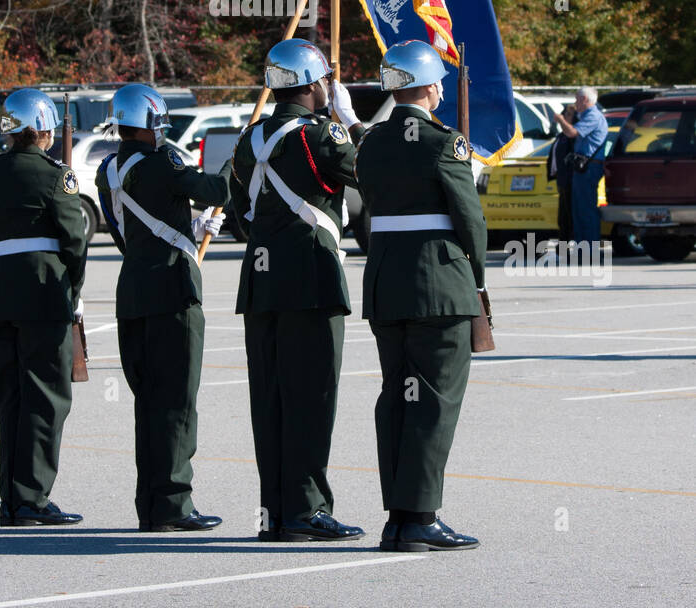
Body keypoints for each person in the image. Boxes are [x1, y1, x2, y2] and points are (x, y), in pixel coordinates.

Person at [228, 39, 365, 543]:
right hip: (310, 277)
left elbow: (238, 206)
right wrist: (350, 122)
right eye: (326, 80)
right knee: (311, 396)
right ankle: (306, 510)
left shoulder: (249, 139)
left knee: (271, 401)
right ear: (313, 84)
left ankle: (276, 512)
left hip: (261, 283)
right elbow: (372, 171)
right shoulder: (320, 135)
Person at [353, 40, 485, 553]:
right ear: (430, 86)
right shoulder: (443, 142)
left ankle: (398, 517)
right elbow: (470, 221)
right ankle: (422, 518)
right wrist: (475, 273)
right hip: (440, 285)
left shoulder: (372, 142)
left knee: (398, 400)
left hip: (388, 284)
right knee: (433, 403)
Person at [96, 84, 228, 532]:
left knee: (149, 402)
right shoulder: (165, 161)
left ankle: (150, 505)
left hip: (133, 290)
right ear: (152, 125)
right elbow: (217, 188)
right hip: (173, 291)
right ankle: (174, 504)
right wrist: (233, 161)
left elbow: (127, 228)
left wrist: (188, 224)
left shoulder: (107, 170)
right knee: (176, 402)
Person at [0, 88, 87, 527]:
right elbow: (74, 240)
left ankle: (12, 497)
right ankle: (31, 500)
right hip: (43, 294)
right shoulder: (55, 175)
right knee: (45, 399)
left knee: (12, 397)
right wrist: (72, 289)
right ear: (42, 130)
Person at [553, 88, 608, 250]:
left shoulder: (592, 116)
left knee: (586, 210)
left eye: (577, 99)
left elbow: (572, 133)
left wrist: (561, 120)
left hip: (589, 167)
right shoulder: (585, 116)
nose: (575, 103)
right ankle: (582, 247)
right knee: (578, 210)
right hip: (582, 168)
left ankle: (589, 249)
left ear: (585, 99)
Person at [546, 103, 577, 241]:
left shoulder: (573, 136)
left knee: (569, 217)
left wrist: (561, 121)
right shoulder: (561, 136)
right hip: (561, 180)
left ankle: (567, 247)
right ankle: (563, 248)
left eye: (568, 115)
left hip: (570, 180)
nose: (564, 117)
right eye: (564, 114)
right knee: (562, 217)